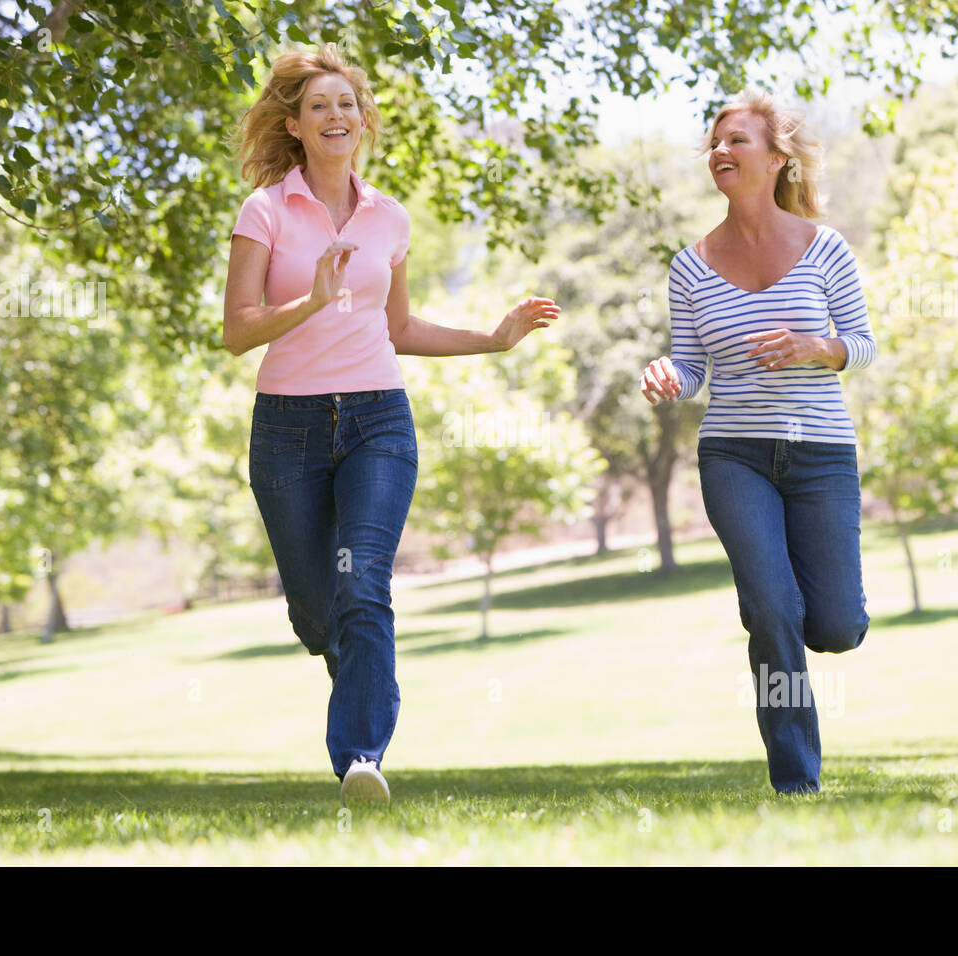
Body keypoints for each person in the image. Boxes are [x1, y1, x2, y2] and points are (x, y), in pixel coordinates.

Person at [223, 43, 559, 806]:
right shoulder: (266, 210)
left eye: (347, 104)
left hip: (378, 417)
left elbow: (398, 327)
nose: (336, 116)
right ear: (296, 125)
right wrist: (309, 301)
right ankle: (341, 662)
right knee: (319, 610)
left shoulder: (389, 216)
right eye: (319, 107)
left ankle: (360, 761)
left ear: (362, 119)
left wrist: (492, 338)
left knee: (364, 582)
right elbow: (237, 330)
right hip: (288, 430)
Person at [639, 90, 877, 794]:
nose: (721, 152)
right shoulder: (690, 265)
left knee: (832, 626)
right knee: (771, 610)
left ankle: (824, 616)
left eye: (737, 141)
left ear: (777, 159)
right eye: (715, 143)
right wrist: (666, 375)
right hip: (735, 454)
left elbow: (862, 347)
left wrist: (815, 347)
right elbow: (690, 366)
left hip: (821, 455)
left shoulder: (823, 247)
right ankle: (796, 779)